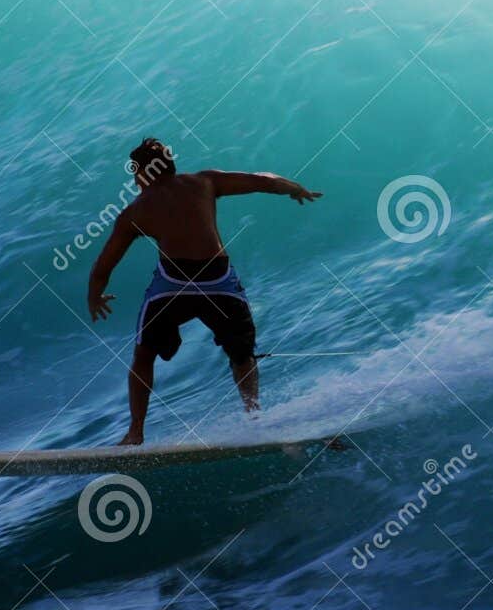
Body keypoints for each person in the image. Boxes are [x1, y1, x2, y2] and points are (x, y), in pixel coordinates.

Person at [87, 137, 322, 445]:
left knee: (144, 355)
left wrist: (95, 297)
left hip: (172, 287)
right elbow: (261, 181)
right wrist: (295, 188)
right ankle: (254, 416)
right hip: (218, 282)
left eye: (135, 174)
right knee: (242, 355)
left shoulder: (134, 212)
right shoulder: (205, 182)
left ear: (144, 173)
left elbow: (104, 264)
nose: (134, 181)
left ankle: (135, 432)